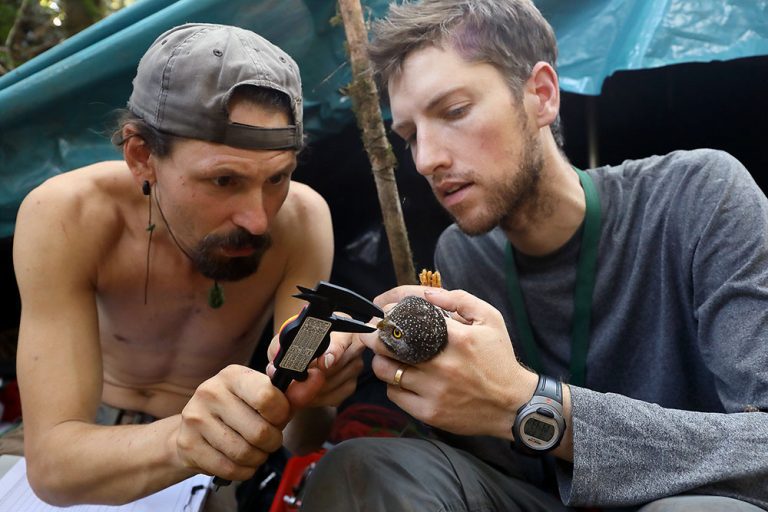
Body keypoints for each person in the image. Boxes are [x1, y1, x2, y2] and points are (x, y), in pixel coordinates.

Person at [296, 1, 768, 511]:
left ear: (541, 95)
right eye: (410, 136)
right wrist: (379, 356)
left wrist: (531, 404)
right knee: (360, 470)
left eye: (454, 111)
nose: (427, 159)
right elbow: (486, 472)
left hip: (689, 500)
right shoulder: (462, 257)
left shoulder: (698, 197)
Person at [12, 23, 363, 507]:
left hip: (216, 458)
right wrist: (181, 439)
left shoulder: (302, 221)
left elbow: (301, 439)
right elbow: (53, 469)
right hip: (85, 435)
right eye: (224, 180)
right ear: (142, 156)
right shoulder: (69, 215)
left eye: (278, 178)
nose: (259, 221)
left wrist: (313, 392)